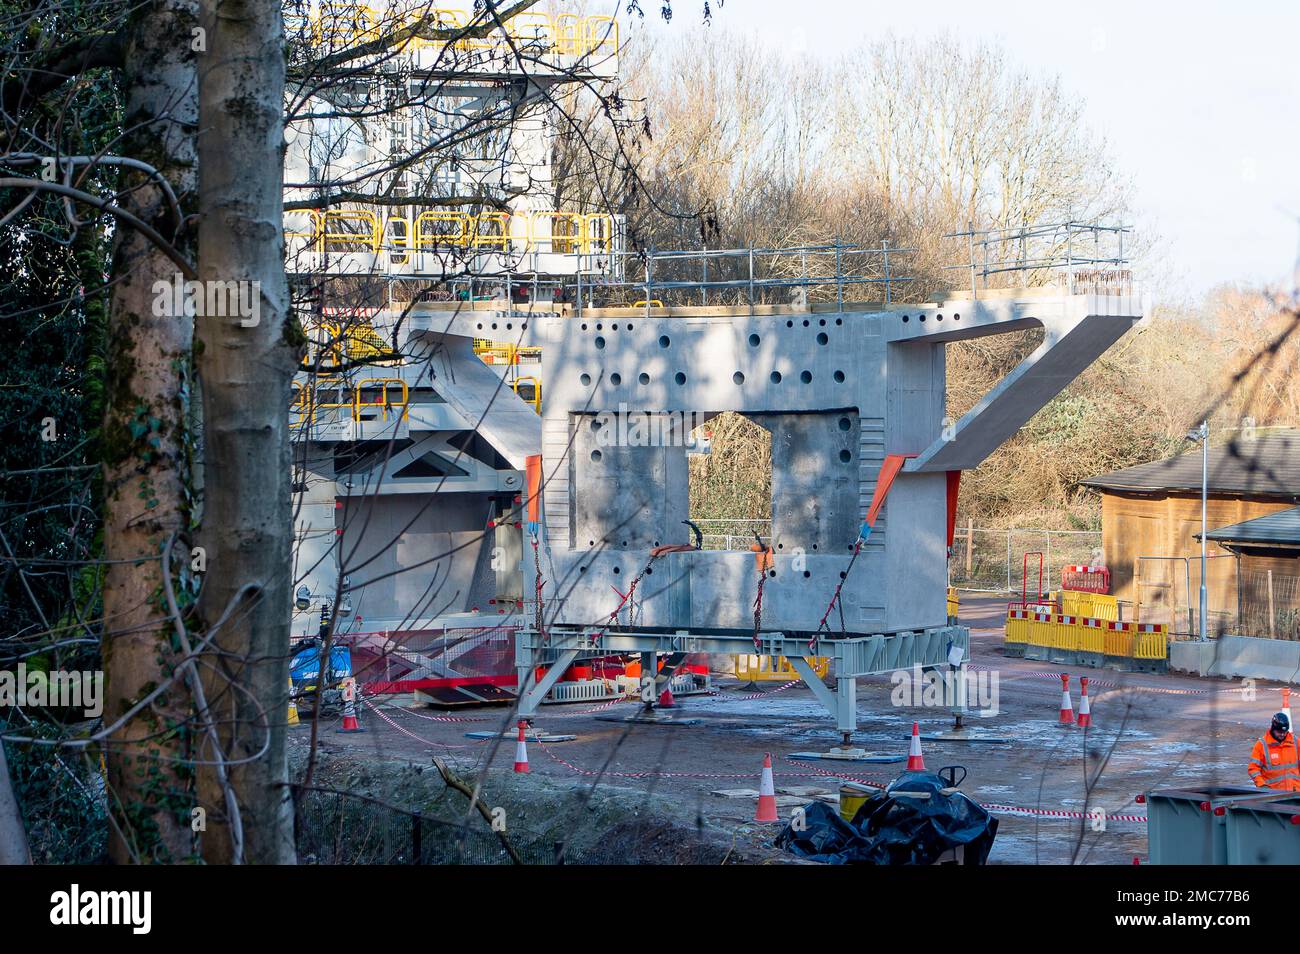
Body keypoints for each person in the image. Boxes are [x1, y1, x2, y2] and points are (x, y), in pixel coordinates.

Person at [1248, 712, 1300, 791]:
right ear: (1273, 728)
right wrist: (1261, 785)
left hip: (1295, 794)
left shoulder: (1296, 742)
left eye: (1285, 732)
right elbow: (1253, 769)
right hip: (1273, 795)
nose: (1282, 734)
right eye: (1279, 732)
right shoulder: (1262, 745)